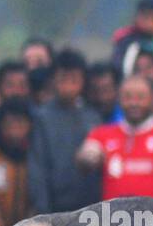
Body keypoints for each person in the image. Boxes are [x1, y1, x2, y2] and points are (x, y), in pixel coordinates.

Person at [76, 75, 153, 202]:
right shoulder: (102, 134)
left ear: (152, 99)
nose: (134, 103)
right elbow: (85, 155)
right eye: (128, 97)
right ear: (119, 99)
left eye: (140, 97)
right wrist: (87, 157)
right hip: (113, 219)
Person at [28, 49, 101, 215]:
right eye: (63, 80)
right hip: (55, 206)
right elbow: (37, 167)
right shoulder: (42, 117)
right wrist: (43, 209)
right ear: (53, 80)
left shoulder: (93, 117)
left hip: (90, 207)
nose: (68, 86)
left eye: (74, 80)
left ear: (83, 82)